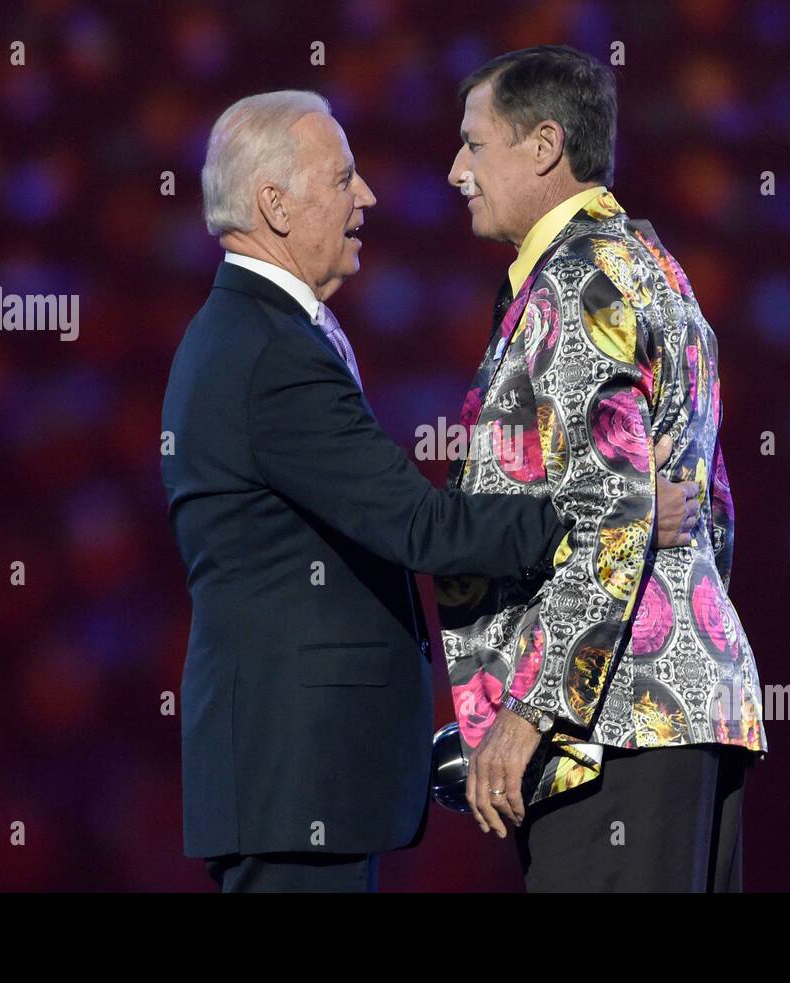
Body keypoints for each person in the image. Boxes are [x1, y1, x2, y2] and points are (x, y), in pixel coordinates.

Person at [160, 90, 700, 892]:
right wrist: (610, 513)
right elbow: (418, 526)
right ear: (274, 203)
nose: (367, 197)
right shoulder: (264, 349)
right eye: (344, 178)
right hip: (293, 776)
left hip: (303, 778)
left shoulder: (261, 332)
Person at [438, 46, 769, 892]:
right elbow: (712, 511)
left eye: (475, 146)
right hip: (687, 708)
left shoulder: (580, 282)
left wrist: (528, 708)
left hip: (613, 727)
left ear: (544, 145)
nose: (455, 172)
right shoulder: (653, 264)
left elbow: (612, 516)